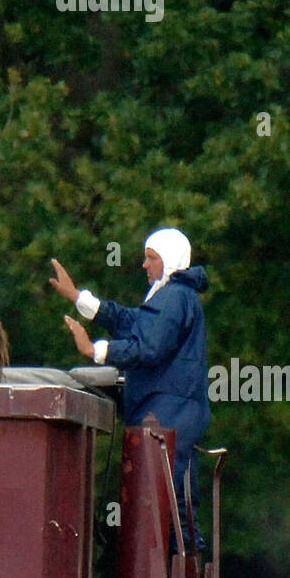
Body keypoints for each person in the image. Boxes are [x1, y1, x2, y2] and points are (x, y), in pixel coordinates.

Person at [49, 230, 210, 552]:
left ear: (171, 261)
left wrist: (96, 351)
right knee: (171, 499)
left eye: (152, 258)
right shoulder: (170, 295)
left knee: (166, 499)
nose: (144, 264)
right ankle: (181, 573)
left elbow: (149, 348)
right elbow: (131, 321)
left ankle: (176, 571)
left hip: (168, 410)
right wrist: (78, 297)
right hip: (171, 409)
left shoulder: (174, 296)